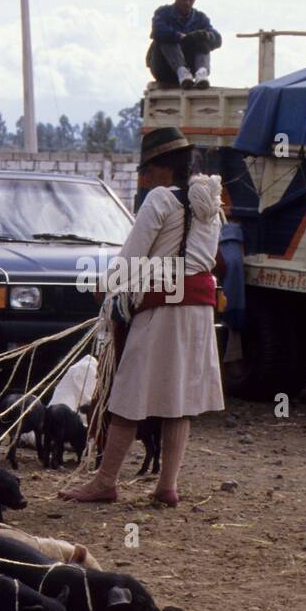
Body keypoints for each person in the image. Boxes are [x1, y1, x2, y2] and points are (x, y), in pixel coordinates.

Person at [61, 127, 225, 506]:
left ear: (162, 168)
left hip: (161, 305)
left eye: (147, 169)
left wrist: (110, 294)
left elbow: (132, 256)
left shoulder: (159, 199)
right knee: (179, 397)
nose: (144, 177)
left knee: (128, 390)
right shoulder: (211, 207)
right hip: (199, 309)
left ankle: (105, 482)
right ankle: (167, 486)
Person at [147, 0, 221, 90]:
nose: (187, 3)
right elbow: (158, 31)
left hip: (191, 68)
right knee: (166, 37)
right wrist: (181, 37)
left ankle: (201, 73)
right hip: (164, 68)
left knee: (203, 39)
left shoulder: (200, 18)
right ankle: (182, 72)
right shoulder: (163, 13)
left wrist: (207, 36)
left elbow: (217, 38)